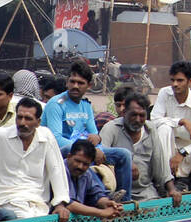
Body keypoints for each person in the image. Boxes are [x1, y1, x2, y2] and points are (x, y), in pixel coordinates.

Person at [43, 60, 132, 196]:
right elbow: (56, 139)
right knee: (81, 154)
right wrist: (89, 151)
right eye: (72, 81)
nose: (75, 86)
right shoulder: (56, 104)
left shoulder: (86, 105)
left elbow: (95, 137)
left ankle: (125, 200)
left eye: (80, 83)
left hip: (83, 149)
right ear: (67, 82)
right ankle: (103, 196)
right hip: (60, 151)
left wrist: (97, 149)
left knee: (123, 155)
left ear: (89, 86)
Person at [0, 97, 71, 221]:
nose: (22, 123)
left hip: (38, 202)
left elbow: (56, 170)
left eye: (28, 119)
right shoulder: (0, 135)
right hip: (5, 199)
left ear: (38, 122)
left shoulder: (46, 136)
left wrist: (60, 203)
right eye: (19, 117)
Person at [151, 61, 191, 191]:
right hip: (166, 149)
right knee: (164, 128)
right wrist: (182, 121)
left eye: (180, 80)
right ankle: (165, 181)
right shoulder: (164, 93)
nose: (175, 84)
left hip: (190, 151)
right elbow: (154, 120)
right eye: (172, 80)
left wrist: (182, 153)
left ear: (190, 81)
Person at [102, 91, 171, 202]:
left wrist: (171, 189)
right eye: (134, 115)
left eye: (142, 115)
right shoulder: (111, 128)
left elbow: (161, 166)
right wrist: (124, 162)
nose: (138, 120)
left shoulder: (151, 129)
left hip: (145, 192)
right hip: (116, 193)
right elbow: (99, 155)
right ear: (124, 113)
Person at [64, 139, 125, 219]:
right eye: (77, 161)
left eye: (85, 164)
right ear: (69, 156)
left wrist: (106, 203)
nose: (80, 166)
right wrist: (102, 213)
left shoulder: (86, 173)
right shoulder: (59, 171)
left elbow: (96, 194)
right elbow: (68, 204)